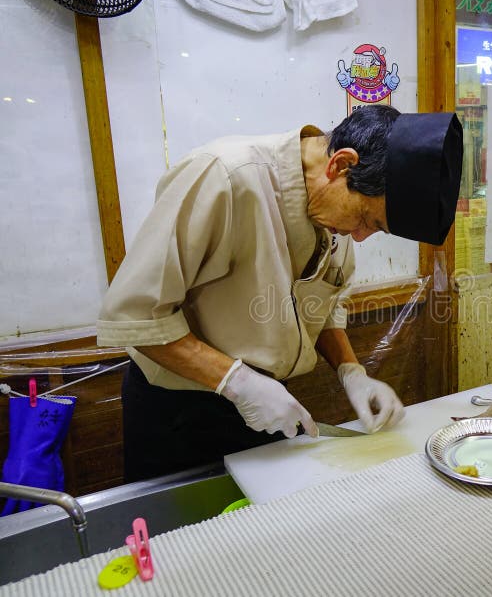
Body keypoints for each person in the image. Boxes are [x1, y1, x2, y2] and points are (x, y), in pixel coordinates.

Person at [96, 105, 463, 481]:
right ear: (340, 165)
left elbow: (322, 306)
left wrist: (352, 372)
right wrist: (237, 382)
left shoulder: (333, 213)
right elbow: (134, 316)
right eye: (368, 219)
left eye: (376, 229)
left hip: (265, 404)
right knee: (185, 536)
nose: (360, 236)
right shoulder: (225, 176)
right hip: (179, 415)